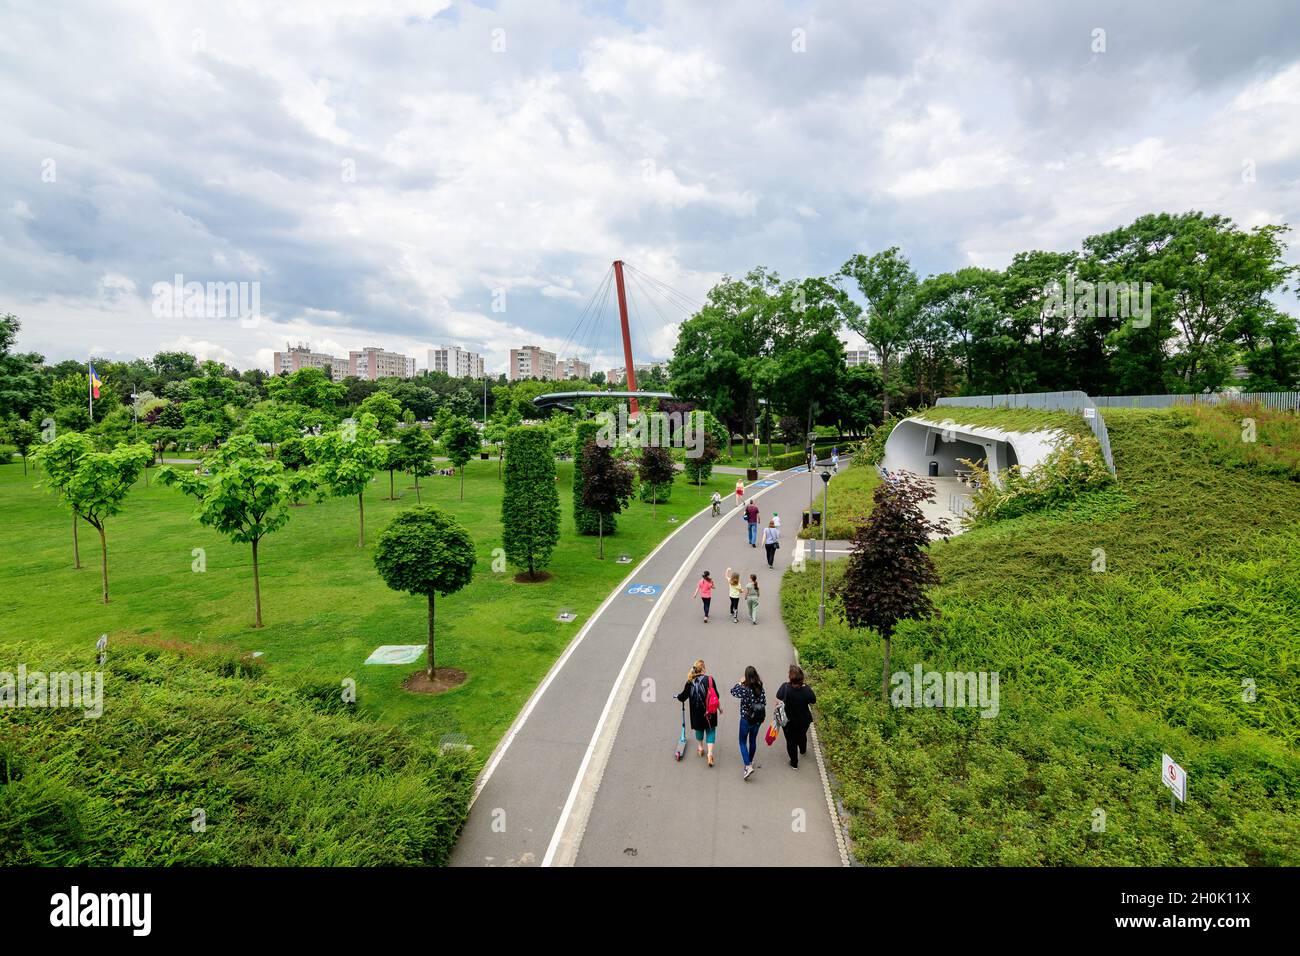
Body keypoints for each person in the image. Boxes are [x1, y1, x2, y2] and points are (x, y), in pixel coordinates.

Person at [677, 659, 721, 766]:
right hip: (710, 711)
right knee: (710, 730)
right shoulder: (710, 680)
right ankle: (710, 754)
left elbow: (683, 697)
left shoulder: (690, 682)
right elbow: (717, 695)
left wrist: (678, 696)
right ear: (704, 669)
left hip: (696, 713)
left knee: (699, 729)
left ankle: (700, 748)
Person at [776, 664, 816, 769]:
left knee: (791, 742)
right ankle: (802, 749)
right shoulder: (806, 690)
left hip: (789, 722)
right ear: (802, 678)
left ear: (790, 677)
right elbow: (813, 700)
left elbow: (778, 696)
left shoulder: (785, 688)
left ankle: (794, 763)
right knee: (802, 735)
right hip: (804, 720)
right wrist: (805, 686)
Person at [730, 666, 767, 780]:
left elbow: (733, 692)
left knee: (742, 741)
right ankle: (750, 760)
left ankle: (748, 765)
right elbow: (764, 702)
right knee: (752, 740)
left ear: (746, 677)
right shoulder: (760, 687)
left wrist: (740, 683)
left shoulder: (745, 689)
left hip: (746, 719)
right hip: (757, 719)